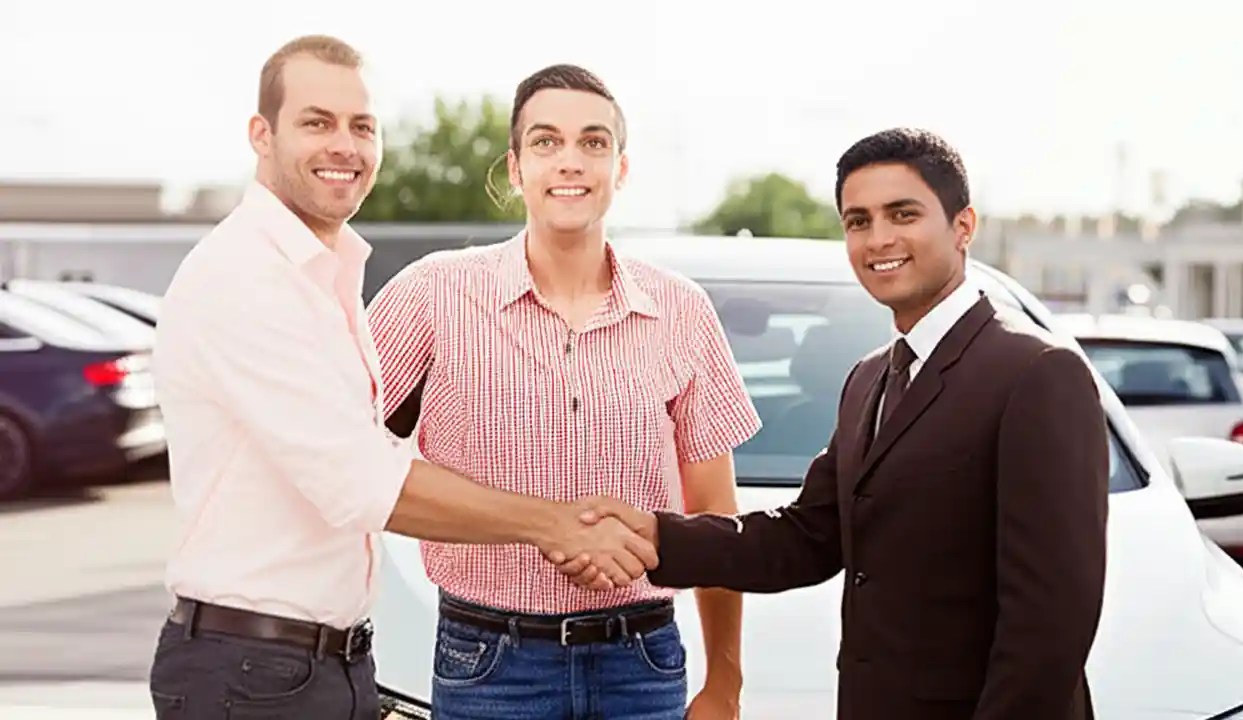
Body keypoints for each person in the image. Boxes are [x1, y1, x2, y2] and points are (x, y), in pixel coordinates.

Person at [147, 37, 655, 720]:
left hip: (310, 665)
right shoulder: (247, 278)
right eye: (317, 122)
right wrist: (555, 525)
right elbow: (360, 481)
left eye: (362, 126)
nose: (344, 146)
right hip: (252, 672)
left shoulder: (319, 278)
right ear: (261, 135)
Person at [567, 128, 1110, 720]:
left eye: (903, 214)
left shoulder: (1037, 372)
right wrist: (657, 536)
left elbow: (1050, 625)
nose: (879, 239)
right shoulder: (870, 378)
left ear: (963, 226)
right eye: (858, 221)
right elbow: (807, 537)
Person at [366, 63, 761, 719]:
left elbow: (714, 512)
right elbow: (343, 458)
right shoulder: (432, 293)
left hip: (643, 665)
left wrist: (725, 680)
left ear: (620, 169)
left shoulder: (682, 310)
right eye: (546, 141)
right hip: (489, 664)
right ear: (515, 168)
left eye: (593, 142)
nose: (570, 161)